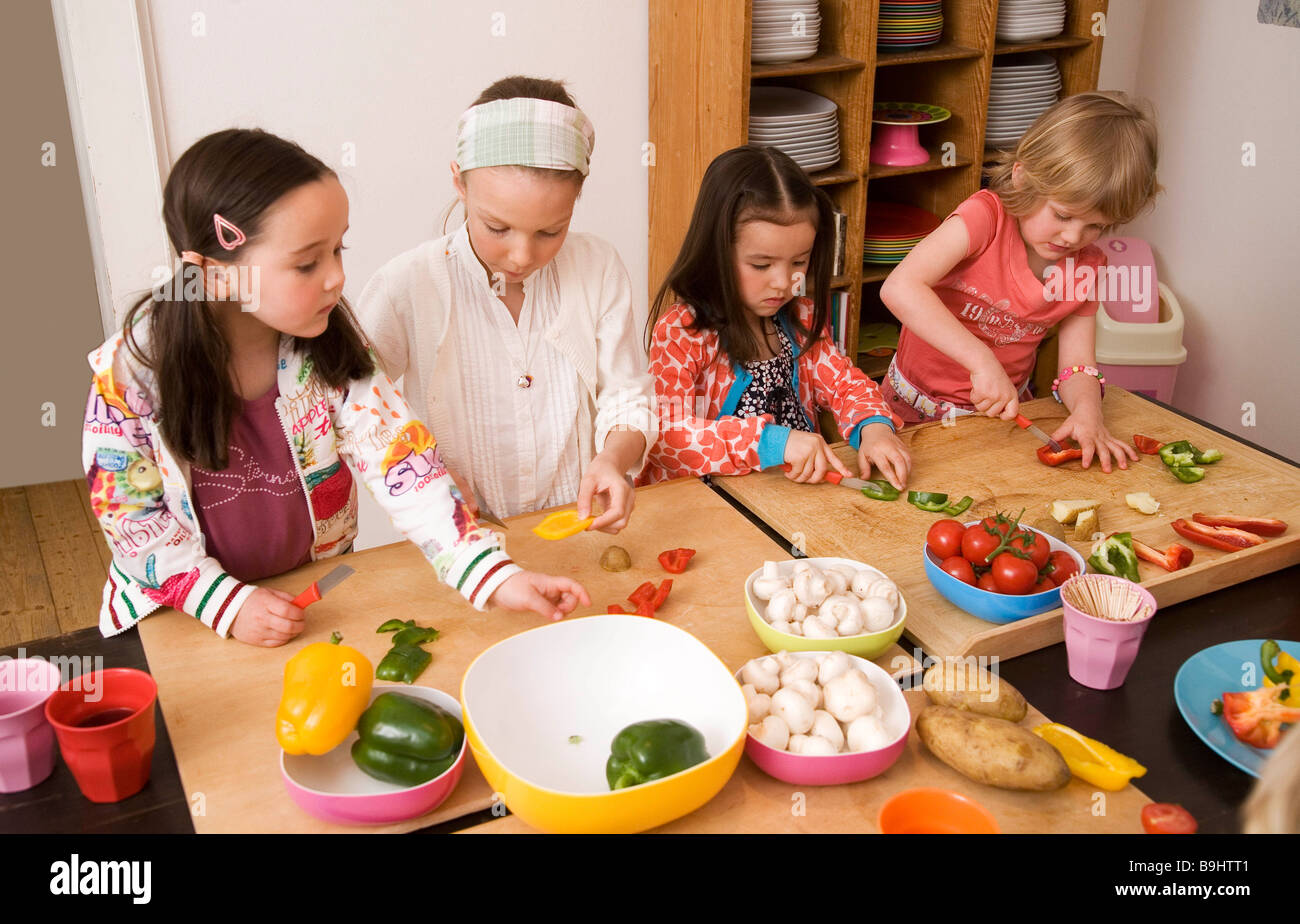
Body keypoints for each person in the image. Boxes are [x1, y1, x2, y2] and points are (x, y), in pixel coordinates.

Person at [83, 128, 588, 647]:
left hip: (305, 596)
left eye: (337, 250)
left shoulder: (329, 347)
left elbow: (404, 465)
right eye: (307, 263)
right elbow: (129, 514)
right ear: (215, 275)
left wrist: (493, 575)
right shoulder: (133, 372)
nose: (335, 278)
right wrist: (225, 605)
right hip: (176, 613)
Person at [356, 76, 655, 532]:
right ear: (459, 182)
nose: (521, 256)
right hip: (463, 547)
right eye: (497, 228)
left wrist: (613, 459)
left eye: (549, 232)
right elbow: (354, 408)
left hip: (576, 533)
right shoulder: (407, 285)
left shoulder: (597, 267)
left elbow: (627, 395)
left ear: (576, 199)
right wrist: (423, 473)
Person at [880, 91, 1161, 472]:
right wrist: (981, 360)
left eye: (1096, 225)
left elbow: (1077, 365)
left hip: (1001, 420)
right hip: (910, 413)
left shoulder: (1087, 268)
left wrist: (1087, 409)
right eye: (1063, 215)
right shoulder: (985, 219)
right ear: (1023, 175)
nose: (1073, 237)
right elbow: (900, 287)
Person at [642, 145, 909, 488]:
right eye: (761, 264)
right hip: (715, 508)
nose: (784, 283)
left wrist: (874, 427)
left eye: (799, 262)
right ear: (717, 251)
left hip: (791, 502)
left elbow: (846, 385)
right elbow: (666, 435)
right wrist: (770, 442)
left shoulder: (803, 320)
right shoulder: (682, 332)